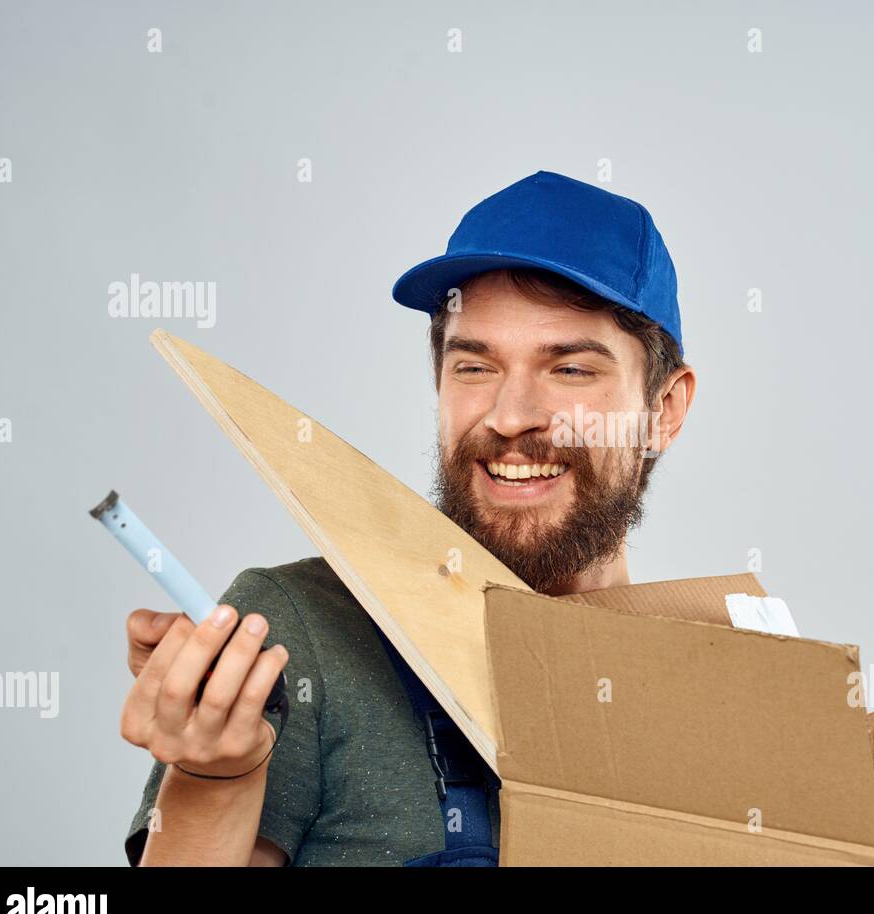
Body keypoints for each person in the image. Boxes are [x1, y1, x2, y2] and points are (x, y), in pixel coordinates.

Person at [120, 170, 697, 865]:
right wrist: (211, 782)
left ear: (663, 410)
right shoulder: (300, 635)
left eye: (570, 370)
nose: (510, 416)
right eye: (474, 367)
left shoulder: (718, 693)